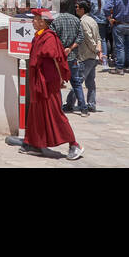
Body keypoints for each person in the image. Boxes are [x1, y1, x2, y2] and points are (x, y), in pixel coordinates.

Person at [23, 9, 84, 160]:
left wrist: (61, 79)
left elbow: (56, 59)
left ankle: (74, 145)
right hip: (39, 82)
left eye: (36, 19)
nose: (33, 22)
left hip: (48, 83)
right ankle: (36, 144)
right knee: (37, 113)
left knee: (55, 114)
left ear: (43, 22)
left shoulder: (49, 38)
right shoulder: (38, 37)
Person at [71, 0, 103, 114]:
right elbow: (98, 38)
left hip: (86, 56)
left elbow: (89, 38)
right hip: (93, 56)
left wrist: (95, 50)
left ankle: (70, 103)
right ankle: (91, 104)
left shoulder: (83, 22)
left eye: (77, 7)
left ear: (82, 9)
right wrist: (99, 51)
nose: (76, 9)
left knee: (77, 82)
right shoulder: (92, 20)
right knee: (90, 83)